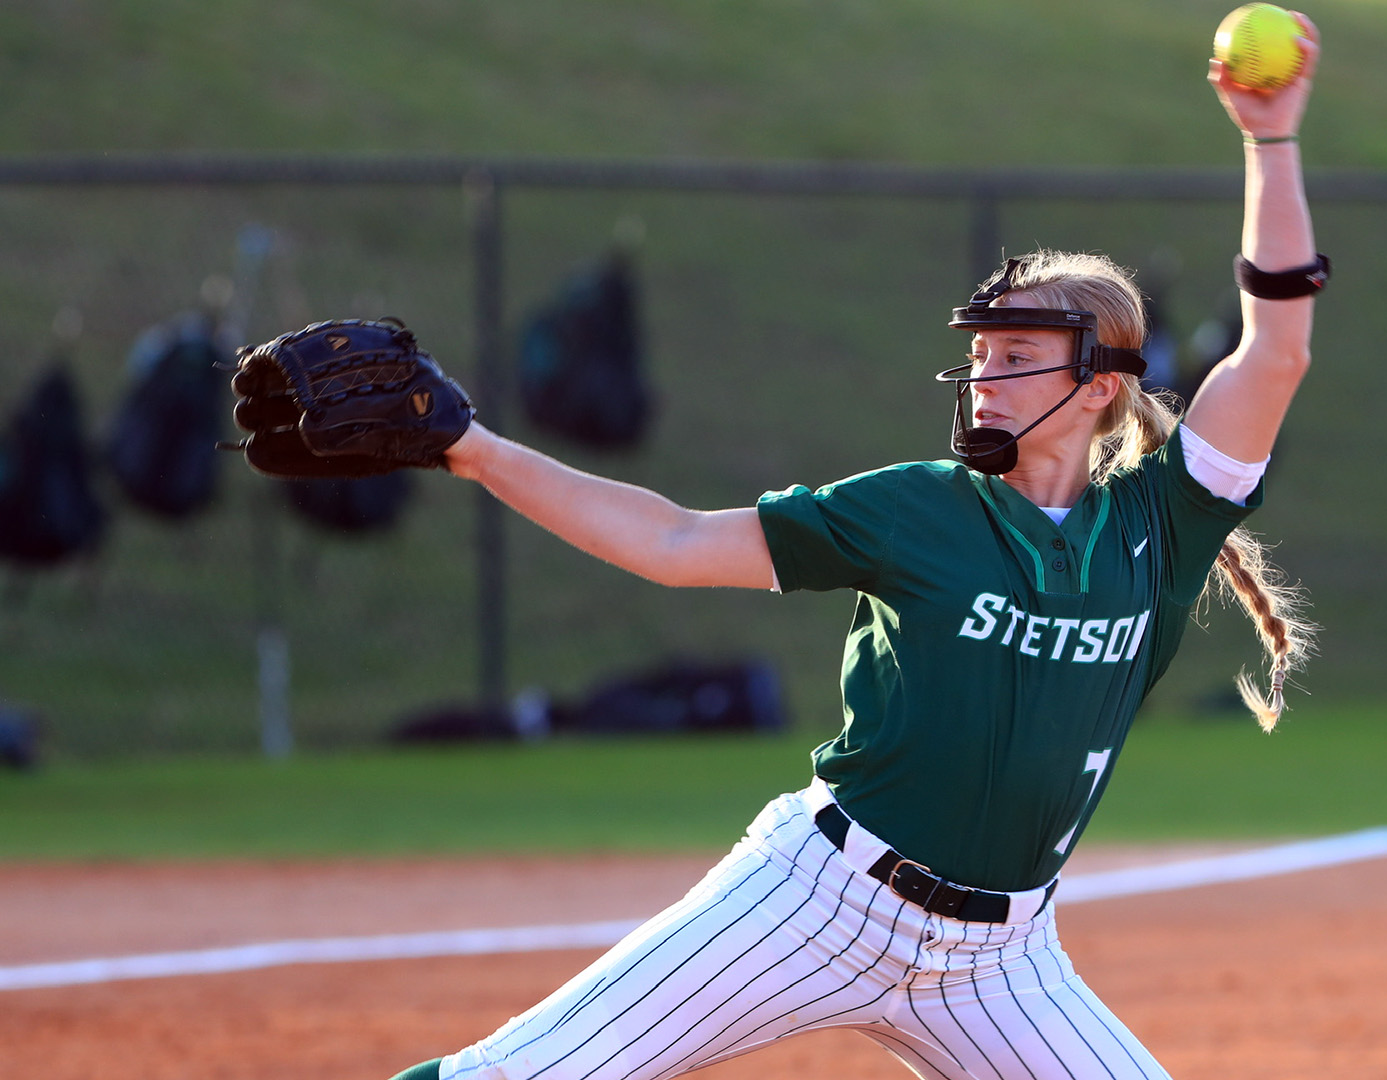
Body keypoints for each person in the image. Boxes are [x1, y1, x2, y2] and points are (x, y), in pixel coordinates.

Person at [389, 19, 1323, 1080]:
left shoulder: (1164, 522)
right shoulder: (913, 510)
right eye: (980, 354)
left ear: (1100, 386)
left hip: (1002, 965)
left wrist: (1271, 140)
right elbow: (673, 540)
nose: (985, 376)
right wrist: (470, 447)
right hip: (819, 900)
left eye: (1018, 356)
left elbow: (1277, 347)